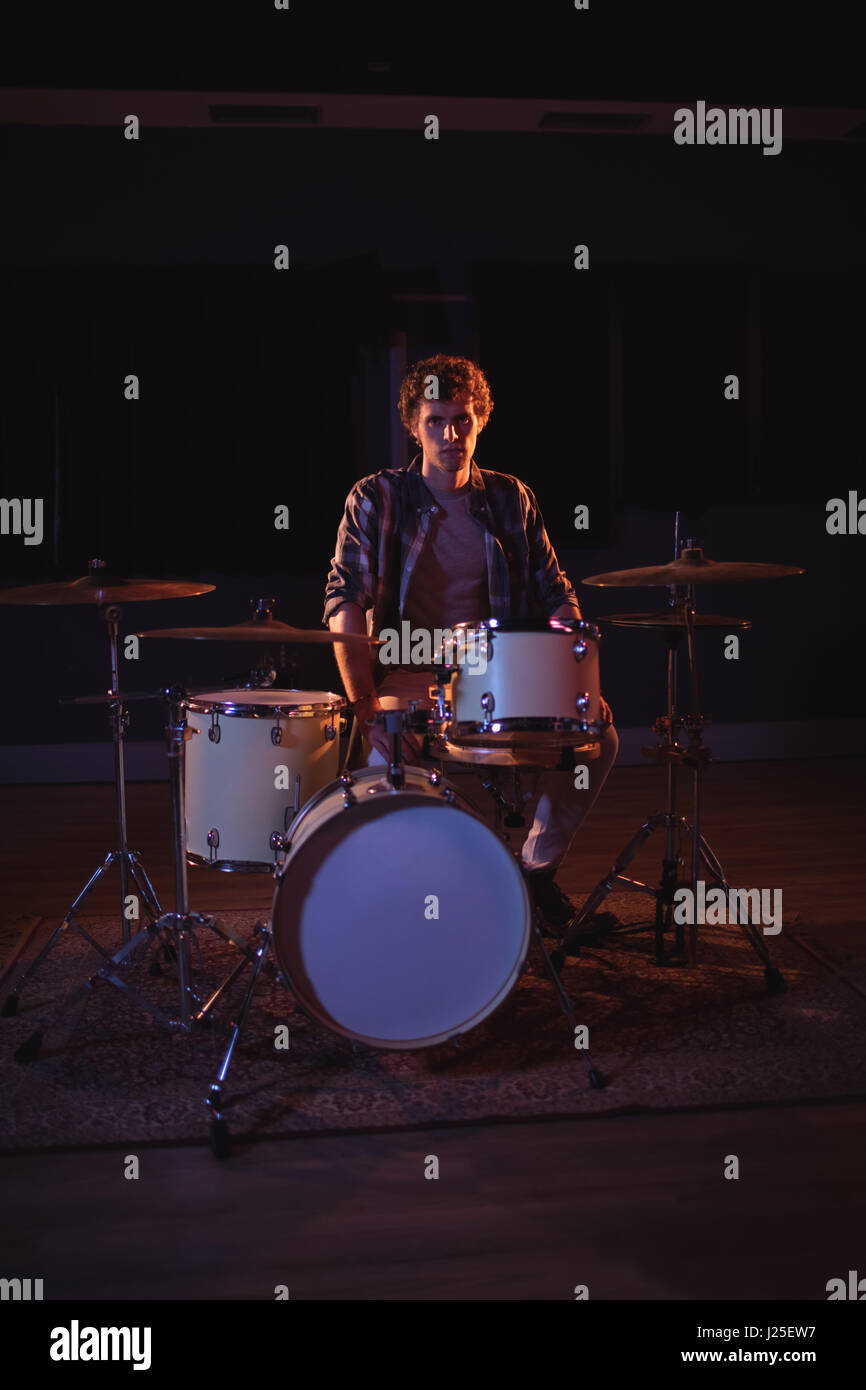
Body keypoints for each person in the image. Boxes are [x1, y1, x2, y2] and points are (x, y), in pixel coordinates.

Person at [323, 354, 618, 934]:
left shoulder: (512, 499)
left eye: (463, 420)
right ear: (413, 424)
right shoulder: (376, 498)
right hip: (408, 672)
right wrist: (364, 707)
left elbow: (556, 593)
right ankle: (441, 893)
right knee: (385, 760)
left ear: (480, 420)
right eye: (436, 421)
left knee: (599, 737)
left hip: (492, 674)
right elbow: (346, 603)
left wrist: (576, 680)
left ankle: (535, 875)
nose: (451, 434)